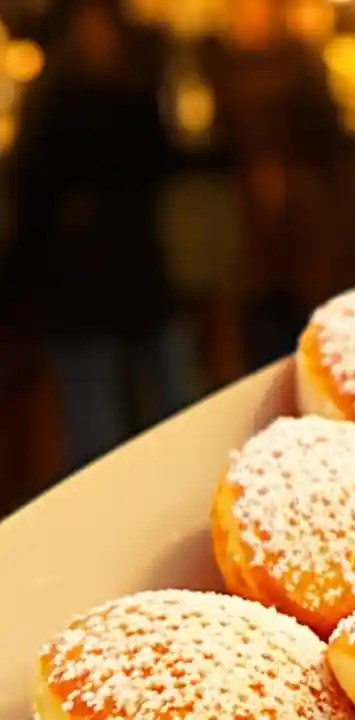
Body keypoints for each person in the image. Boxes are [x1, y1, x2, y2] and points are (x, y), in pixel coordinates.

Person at [3, 0, 199, 476]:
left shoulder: (63, 97)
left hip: (103, 278)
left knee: (120, 425)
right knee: (115, 424)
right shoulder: (123, 90)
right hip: (105, 280)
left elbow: (30, 195)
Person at [204, 0, 355, 371]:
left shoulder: (293, 62)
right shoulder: (226, 62)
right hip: (259, 226)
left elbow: (327, 136)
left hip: (301, 220)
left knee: (301, 325)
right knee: (266, 329)